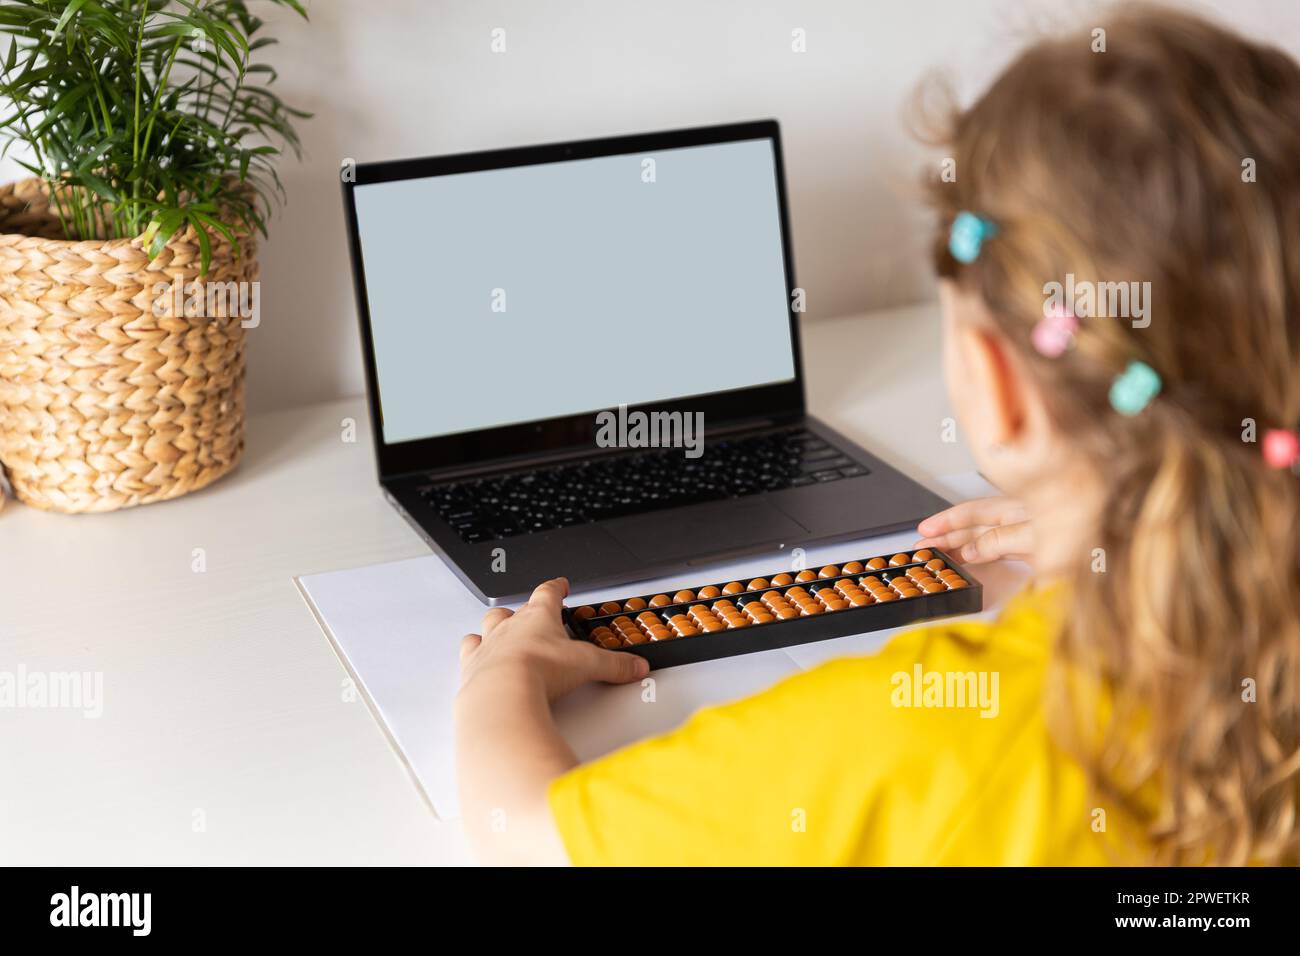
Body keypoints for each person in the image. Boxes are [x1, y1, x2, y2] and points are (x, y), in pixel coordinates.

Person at [454, 5, 1300, 866]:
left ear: (999, 384)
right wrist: (1159, 528)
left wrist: (502, 681)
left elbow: (524, 838)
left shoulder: (944, 733)